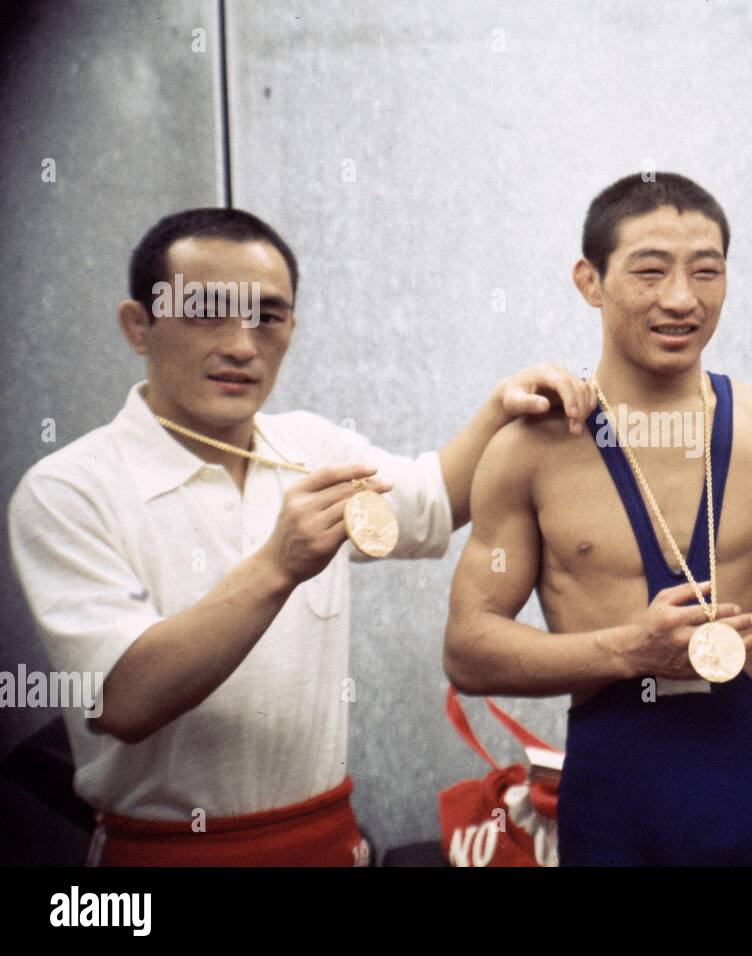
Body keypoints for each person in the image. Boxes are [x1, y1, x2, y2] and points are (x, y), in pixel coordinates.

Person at [7, 207, 596, 866]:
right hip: (162, 856)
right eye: (206, 311)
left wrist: (500, 408)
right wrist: (277, 566)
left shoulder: (309, 445)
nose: (241, 344)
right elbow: (124, 698)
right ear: (137, 326)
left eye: (267, 316)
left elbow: (434, 500)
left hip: (326, 841)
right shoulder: (68, 488)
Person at [444, 173, 752, 866]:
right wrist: (628, 650)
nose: (682, 299)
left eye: (706, 272)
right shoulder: (530, 449)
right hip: (616, 799)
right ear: (590, 281)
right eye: (650, 272)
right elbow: (467, 651)